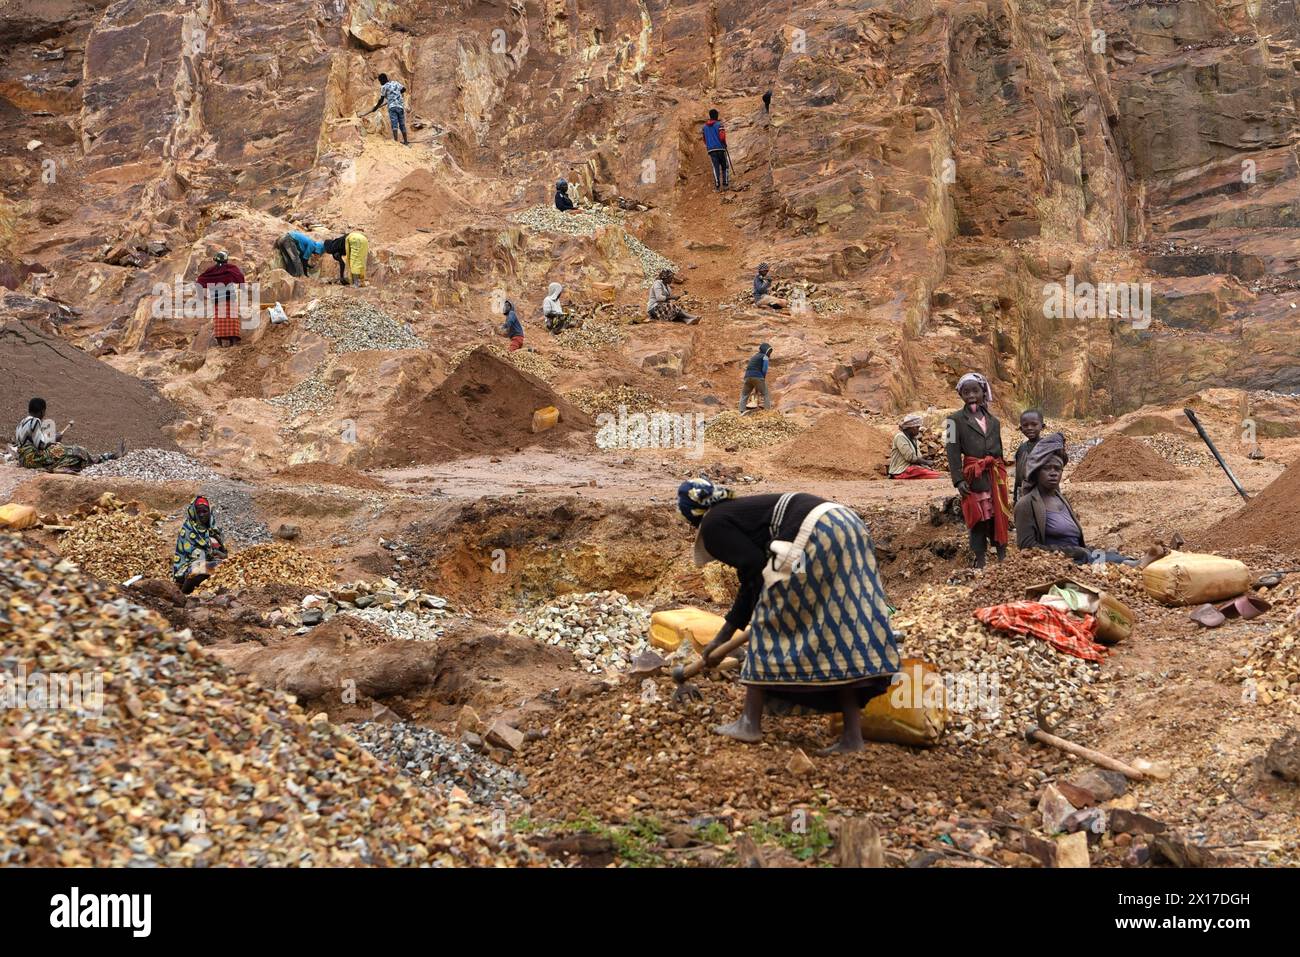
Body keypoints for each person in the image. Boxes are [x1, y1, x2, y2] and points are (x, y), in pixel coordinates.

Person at [679, 479, 902, 754]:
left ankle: (749, 723)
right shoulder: (740, 512)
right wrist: (723, 636)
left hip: (811, 533)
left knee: (769, 621)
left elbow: (753, 570)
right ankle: (852, 738)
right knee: (838, 632)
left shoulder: (713, 525)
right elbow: (752, 576)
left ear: (692, 518)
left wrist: (737, 629)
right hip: (846, 524)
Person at [944, 372, 1010, 568]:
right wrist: (958, 480)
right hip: (973, 477)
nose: (971, 395)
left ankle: (1002, 559)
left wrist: (1001, 470)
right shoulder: (952, 421)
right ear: (961, 395)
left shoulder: (995, 421)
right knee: (977, 518)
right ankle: (980, 562)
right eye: (966, 392)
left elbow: (998, 451)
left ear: (983, 392)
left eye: (975, 391)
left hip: (994, 476)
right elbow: (952, 452)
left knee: (999, 514)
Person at [14, 398, 123, 473]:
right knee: (77, 450)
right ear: (42, 411)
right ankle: (108, 457)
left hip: (23, 459)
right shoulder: (35, 421)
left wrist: (52, 440)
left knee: (61, 449)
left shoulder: (23, 421)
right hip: (33, 460)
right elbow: (41, 445)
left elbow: (33, 441)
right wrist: (54, 439)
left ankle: (105, 457)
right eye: (44, 411)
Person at [172, 496, 227, 594]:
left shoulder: (214, 530)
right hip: (190, 567)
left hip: (212, 566)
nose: (202, 515)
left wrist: (221, 555)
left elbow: (225, 555)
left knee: (226, 567)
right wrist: (211, 554)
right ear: (194, 513)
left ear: (209, 512)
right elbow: (194, 556)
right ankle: (184, 593)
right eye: (198, 512)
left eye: (205, 511)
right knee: (197, 570)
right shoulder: (188, 530)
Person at [195, 251, 246, 347]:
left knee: (219, 320)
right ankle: (233, 342)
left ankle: (220, 343)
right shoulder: (231, 268)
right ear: (226, 260)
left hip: (217, 298)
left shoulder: (211, 270)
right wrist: (242, 287)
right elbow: (240, 277)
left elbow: (200, 279)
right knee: (231, 318)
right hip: (229, 297)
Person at [889, 413, 943, 479]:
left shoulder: (913, 439)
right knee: (929, 474)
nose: (918, 430)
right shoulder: (900, 437)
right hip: (901, 471)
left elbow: (917, 457)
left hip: (911, 469)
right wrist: (926, 462)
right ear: (910, 427)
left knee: (930, 472)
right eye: (917, 427)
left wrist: (925, 459)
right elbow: (910, 458)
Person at [363, 73, 409, 145]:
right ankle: (406, 141)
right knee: (402, 124)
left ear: (382, 80)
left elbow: (381, 100)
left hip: (392, 107)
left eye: (380, 81)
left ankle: (396, 142)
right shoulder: (395, 83)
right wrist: (396, 95)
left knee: (394, 124)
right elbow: (404, 89)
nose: (380, 83)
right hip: (400, 106)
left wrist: (376, 108)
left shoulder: (384, 87)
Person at [1013, 409, 1044, 505]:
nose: (1029, 428)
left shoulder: (1046, 447)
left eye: (1034, 424)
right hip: (1024, 493)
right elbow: (1018, 476)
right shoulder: (1021, 449)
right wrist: (1015, 497)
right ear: (1021, 429)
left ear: (1042, 426)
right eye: (1025, 425)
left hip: (1042, 494)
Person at [739, 343, 772, 414]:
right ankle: (768, 412)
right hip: (758, 376)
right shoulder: (765, 357)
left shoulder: (754, 356)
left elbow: (750, 366)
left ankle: (741, 411)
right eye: (768, 351)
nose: (769, 353)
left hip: (747, 377)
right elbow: (764, 369)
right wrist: (762, 377)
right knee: (765, 393)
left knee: (744, 394)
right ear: (765, 350)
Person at [702, 108, 730, 191]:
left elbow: (704, 139)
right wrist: (724, 144)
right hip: (720, 148)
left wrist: (709, 145)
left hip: (711, 150)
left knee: (715, 167)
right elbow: (722, 136)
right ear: (716, 115)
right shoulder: (719, 125)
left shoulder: (704, 127)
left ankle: (717, 186)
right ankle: (725, 184)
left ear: (710, 116)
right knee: (725, 166)